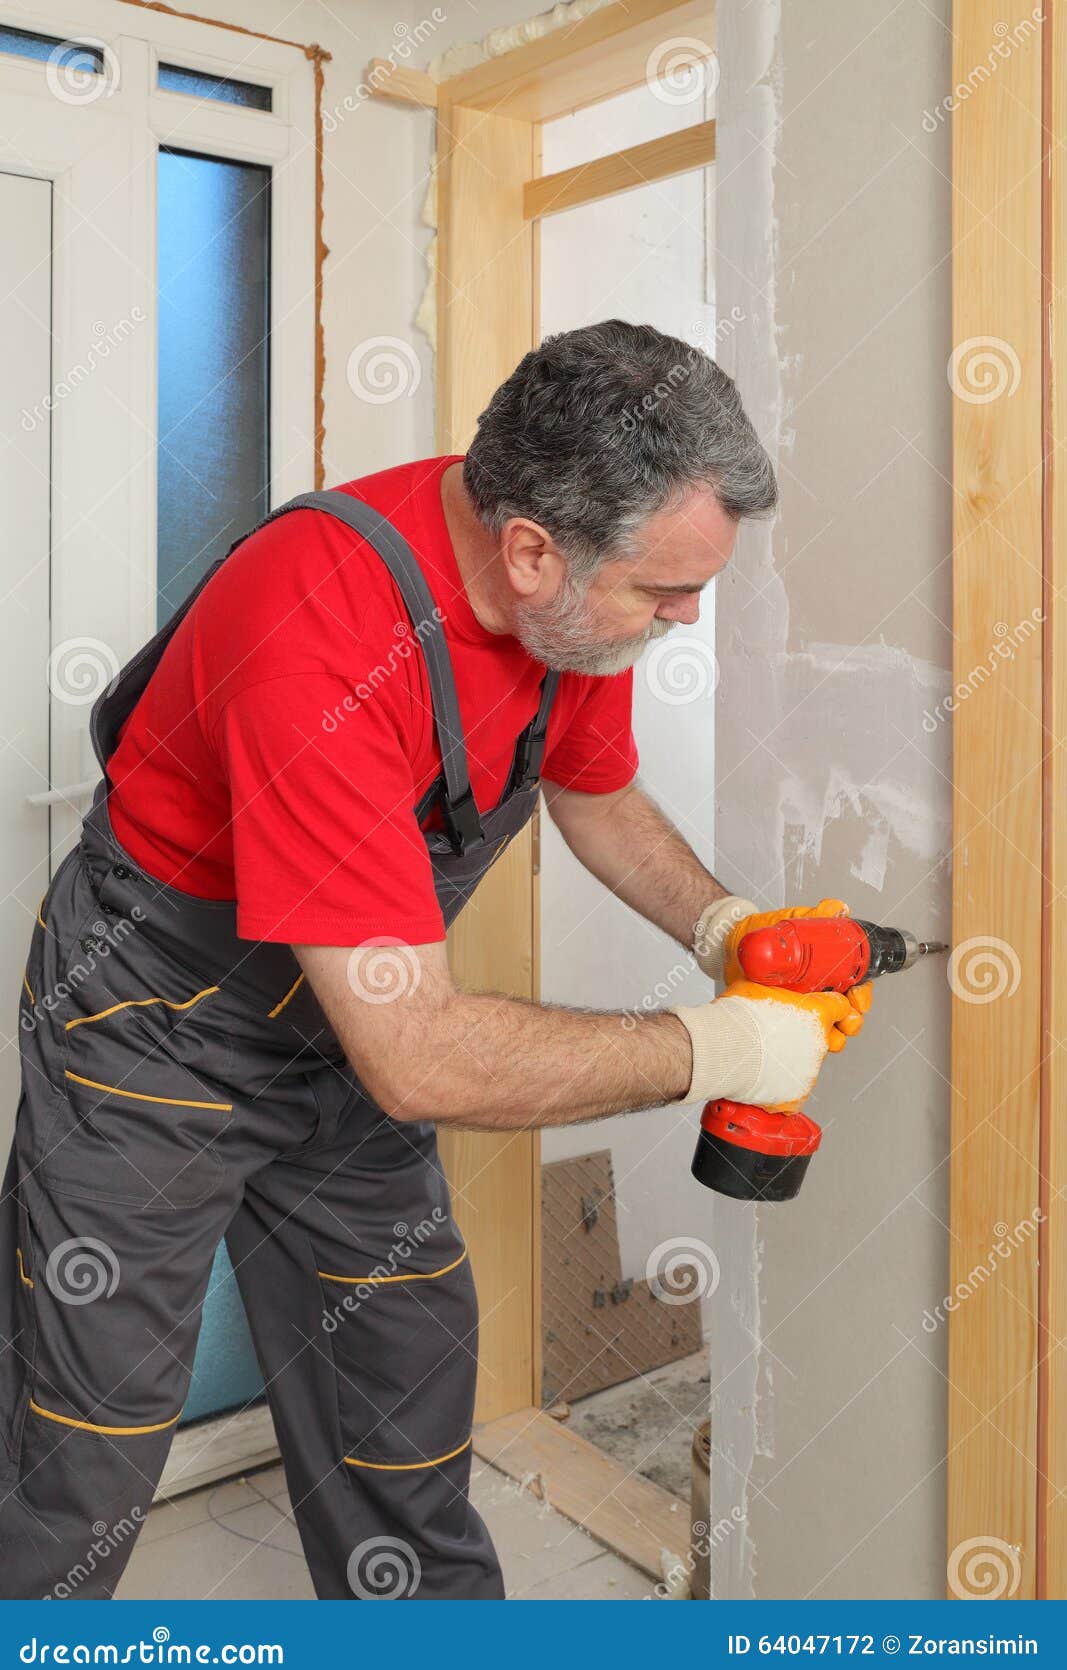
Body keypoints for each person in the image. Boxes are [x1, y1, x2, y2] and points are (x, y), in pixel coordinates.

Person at [0, 320, 869, 1599]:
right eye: (663, 590)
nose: (685, 618)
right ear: (529, 552)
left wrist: (724, 930)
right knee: (87, 1449)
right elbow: (413, 1055)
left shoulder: (573, 609)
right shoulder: (318, 633)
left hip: (348, 1016)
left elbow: (594, 791)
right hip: (157, 1024)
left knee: (396, 1387)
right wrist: (723, 1047)